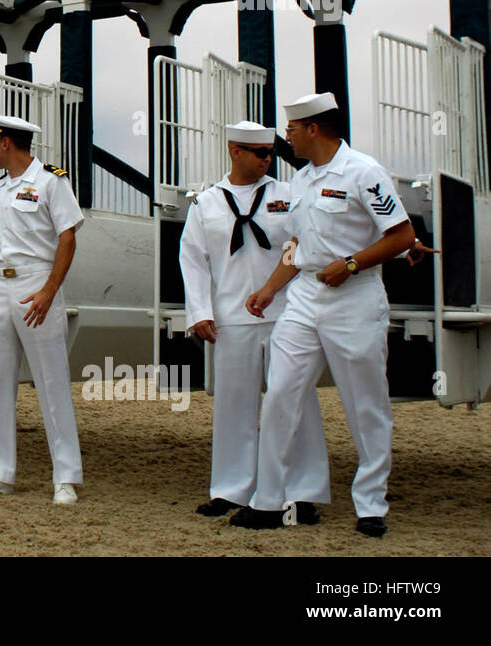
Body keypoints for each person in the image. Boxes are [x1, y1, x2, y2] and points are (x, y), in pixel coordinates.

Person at [234, 93, 416, 537]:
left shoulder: (364, 172)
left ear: (313, 129)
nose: (287, 136)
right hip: (305, 298)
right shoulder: (301, 180)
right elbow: (296, 248)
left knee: (365, 405)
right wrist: (269, 288)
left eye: (291, 128)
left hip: (354, 299)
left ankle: (371, 504)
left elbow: (403, 235)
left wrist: (352, 263)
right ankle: (269, 501)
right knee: (279, 394)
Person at [178, 122, 329, 521]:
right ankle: (232, 489)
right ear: (234, 151)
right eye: (258, 153)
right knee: (233, 406)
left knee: (294, 402)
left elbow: (311, 242)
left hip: (288, 315)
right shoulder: (207, 202)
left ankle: (302, 491)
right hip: (230, 318)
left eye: (270, 153)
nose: (266, 160)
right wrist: (200, 312)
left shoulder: (289, 195)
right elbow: (192, 259)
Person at [0, 112, 84, 505]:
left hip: (36, 284)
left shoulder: (51, 181)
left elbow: (68, 237)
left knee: (51, 382)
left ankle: (65, 476)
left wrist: (50, 290)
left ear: (7, 143)